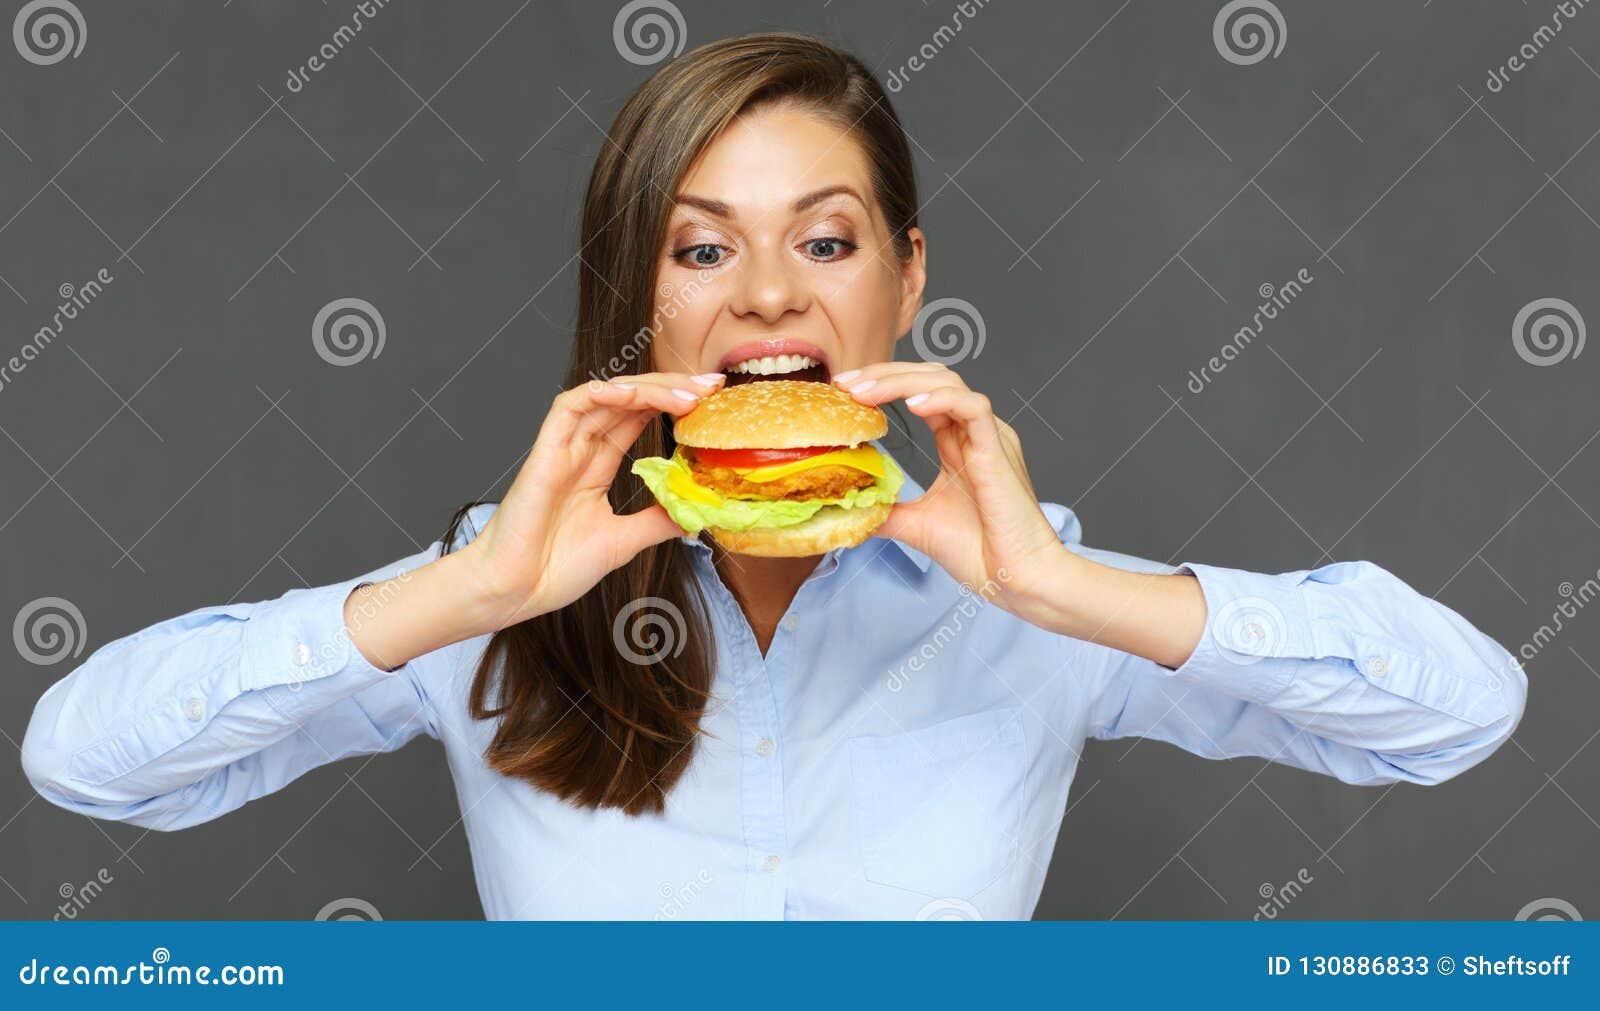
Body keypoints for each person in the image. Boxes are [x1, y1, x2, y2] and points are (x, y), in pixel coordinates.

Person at [21, 33, 1525, 920]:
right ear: (638, 292)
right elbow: (82, 761)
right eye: (699, 247)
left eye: (824, 239)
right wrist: (463, 594)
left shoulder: (1031, 591)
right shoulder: (497, 585)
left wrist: (1071, 590)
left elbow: (1460, 714)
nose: (765, 295)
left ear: (905, 280)